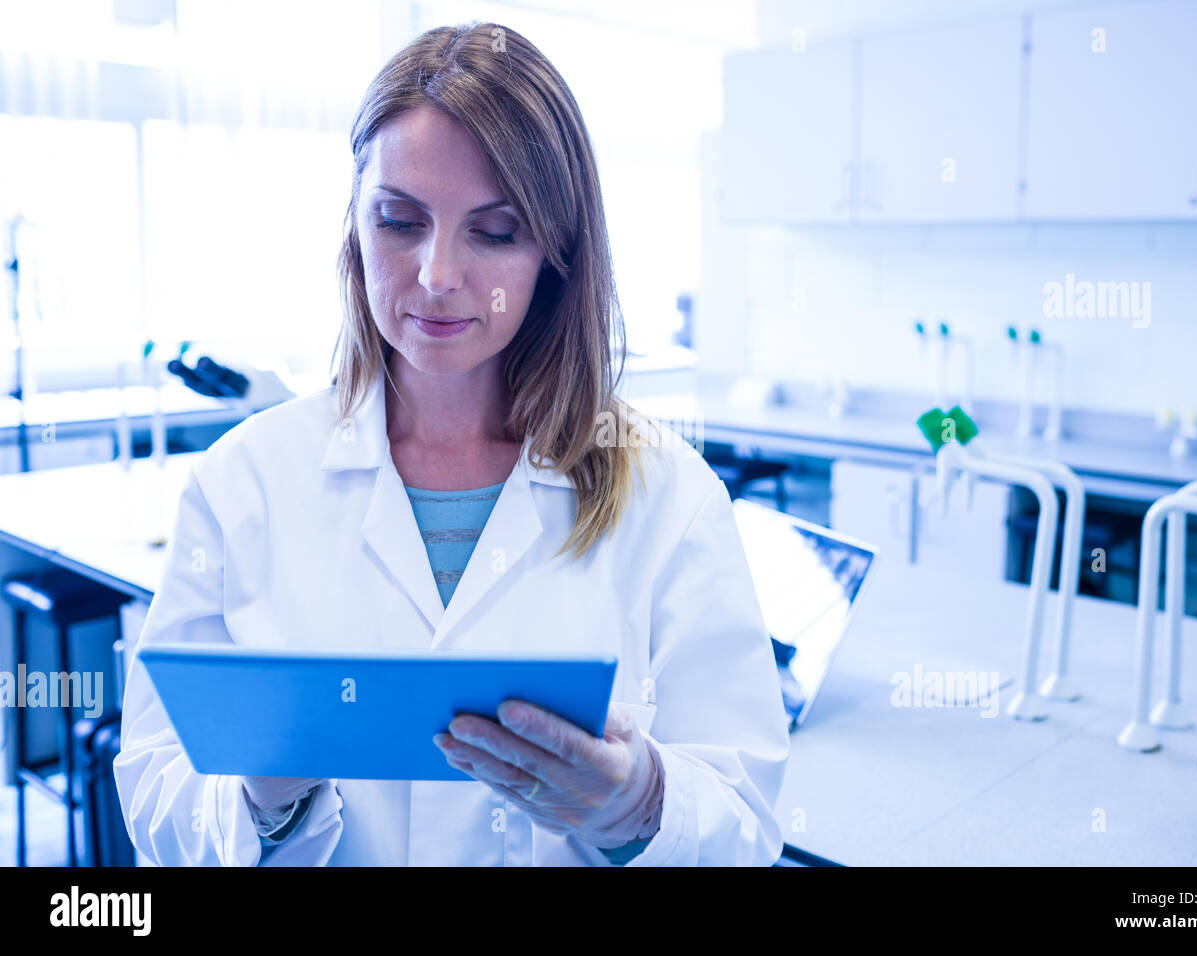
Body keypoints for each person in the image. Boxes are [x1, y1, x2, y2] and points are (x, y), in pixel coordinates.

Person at [113, 21, 790, 866]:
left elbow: (747, 822)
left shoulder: (670, 495)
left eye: (494, 231)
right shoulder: (243, 482)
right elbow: (152, 785)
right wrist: (263, 796)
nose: (436, 275)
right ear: (356, 226)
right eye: (400, 220)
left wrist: (638, 805)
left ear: (557, 249)